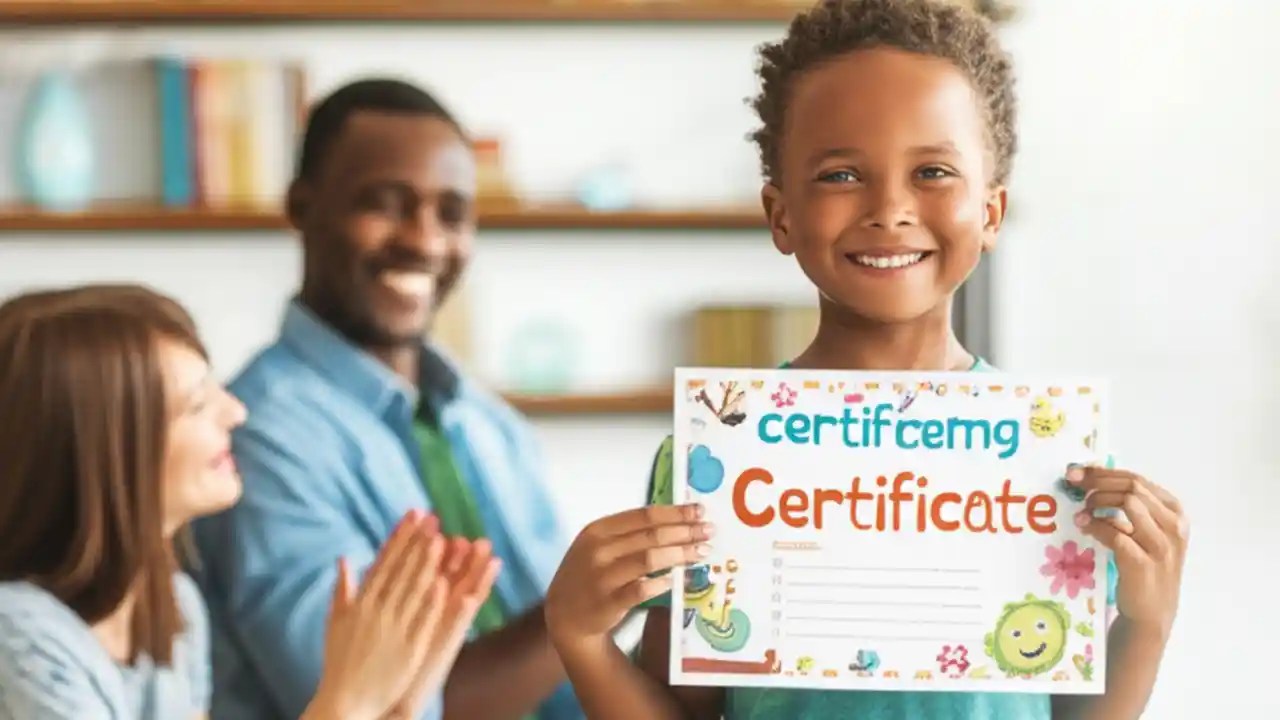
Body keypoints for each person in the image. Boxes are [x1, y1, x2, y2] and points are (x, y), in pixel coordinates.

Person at [542, 1, 1190, 719]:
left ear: (992, 211)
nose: (889, 208)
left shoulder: (1052, 465)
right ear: (779, 213)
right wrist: (580, 637)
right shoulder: (711, 457)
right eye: (841, 175)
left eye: (935, 171)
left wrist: (1147, 623)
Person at [190, 78, 581, 720]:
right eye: (385, 203)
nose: (425, 242)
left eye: (452, 213)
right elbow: (369, 706)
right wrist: (585, 610)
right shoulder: (256, 437)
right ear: (301, 207)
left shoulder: (491, 424)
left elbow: (570, 679)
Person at [0, 284, 499, 720]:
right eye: (197, 404)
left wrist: (400, 699)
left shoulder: (173, 609)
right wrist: (345, 701)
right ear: (104, 452)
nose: (236, 412)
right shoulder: (19, 638)